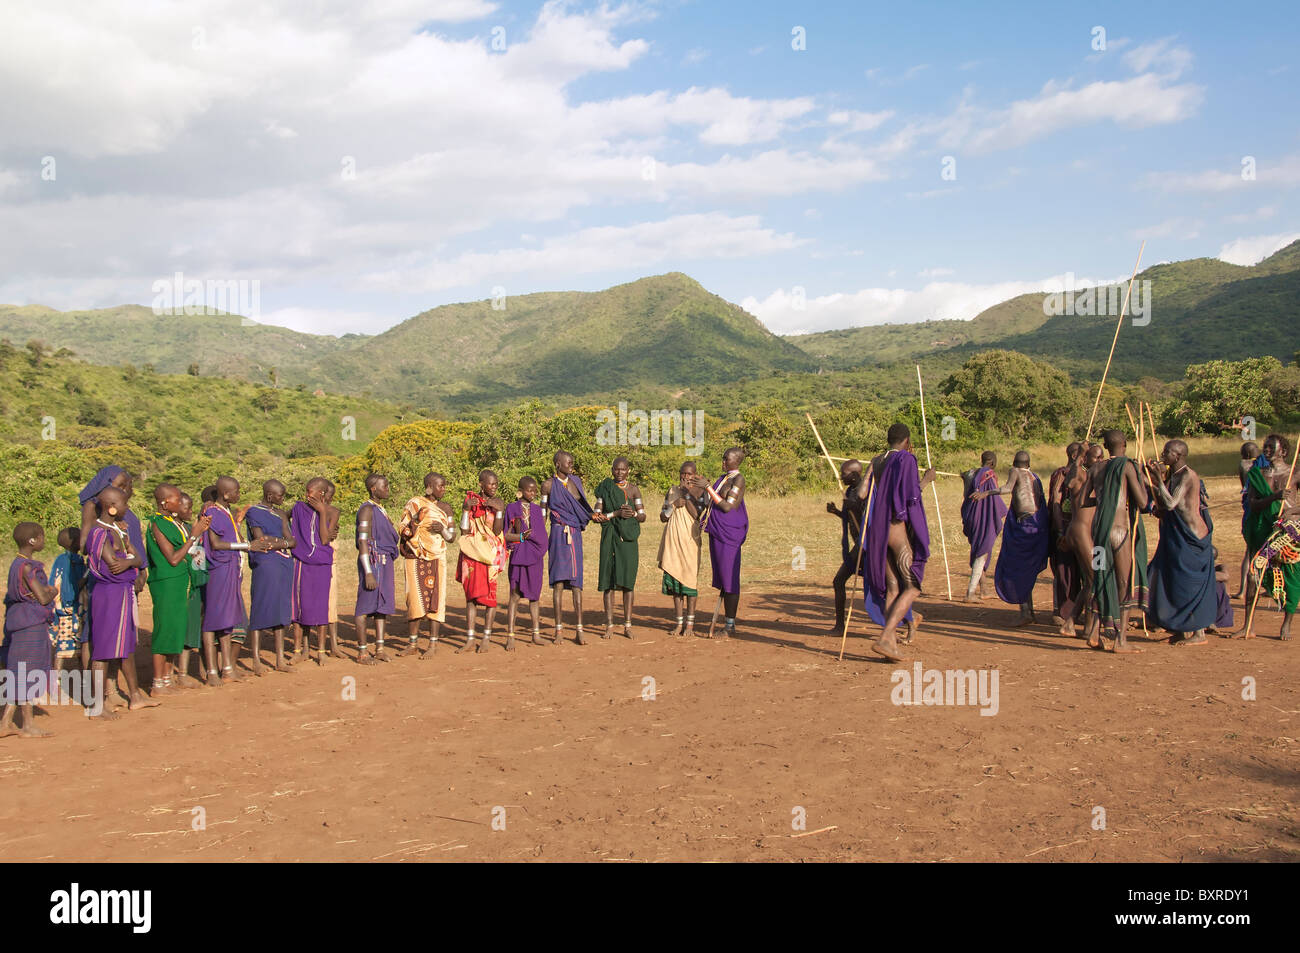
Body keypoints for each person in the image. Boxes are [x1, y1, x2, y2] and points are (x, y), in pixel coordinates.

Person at [852, 424, 934, 661]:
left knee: (893, 587)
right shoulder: (906, 459)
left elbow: (861, 494)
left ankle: (890, 646)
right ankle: (886, 637)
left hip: (877, 530)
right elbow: (910, 496)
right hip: (895, 527)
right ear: (906, 441)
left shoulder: (876, 460)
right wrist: (927, 480)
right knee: (912, 586)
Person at [85, 485, 157, 716]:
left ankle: (135, 696)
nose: (128, 507)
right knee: (103, 649)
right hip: (109, 596)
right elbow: (114, 567)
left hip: (122, 593)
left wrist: (130, 559)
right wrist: (130, 561)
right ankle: (97, 705)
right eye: (124, 504)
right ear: (112, 508)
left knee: (126, 646)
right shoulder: (99, 533)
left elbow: (136, 559)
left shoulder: (117, 530)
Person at [1083, 430, 1151, 653]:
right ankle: (1121, 640)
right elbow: (1143, 503)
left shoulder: (1095, 468)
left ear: (1105, 446)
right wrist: (1143, 479)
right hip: (1119, 532)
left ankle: (1094, 633)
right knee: (1124, 582)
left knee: (1099, 578)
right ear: (1125, 444)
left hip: (1099, 532)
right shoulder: (1128, 466)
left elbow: (1083, 500)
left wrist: (1105, 501)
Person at [1144, 440, 1217, 646]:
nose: (1163, 454)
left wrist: (1157, 480)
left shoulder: (1187, 475)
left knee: (1189, 583)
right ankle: (1178, 628)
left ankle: (1199, 633)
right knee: (1169, 578)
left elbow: (1171, 503)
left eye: (1167, 452)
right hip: (1176, 534)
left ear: (1178, 456)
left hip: (1192, 536)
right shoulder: (1173, 475)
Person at [202, 476, 263, 684]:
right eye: (236, 491)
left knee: (227, 620)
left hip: (231, 569)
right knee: (212, 620)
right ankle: (212, 671)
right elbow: (215, 543)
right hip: (219, 570)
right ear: (226, 494)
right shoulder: (212, 512)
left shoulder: (225, 512)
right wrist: (247, 546)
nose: (239, 494)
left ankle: (227, 668)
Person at [146, 484, 202, 694]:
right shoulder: (158, 524)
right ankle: (157, 682)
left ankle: (167, 679)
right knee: (165, 631)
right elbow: (173, 558)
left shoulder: (173, 523)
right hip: (167, 583)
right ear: (165, 502)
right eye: (177, 500)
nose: (179, 503)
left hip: (179, 582)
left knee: (175, 630)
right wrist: (194, 535)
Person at [1, 523, 56, 737]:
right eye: (41, 537)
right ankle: (28, 725)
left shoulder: (16, 564)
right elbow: (43, 597)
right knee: (28, 673)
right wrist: (53, 591)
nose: (43, 540)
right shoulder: (27, 567)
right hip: (31, 624)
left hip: (19, 621)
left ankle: (6, 722)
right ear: (32, 541)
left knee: (19, 671)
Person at [398, 472, 457, 658]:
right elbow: (403, 530)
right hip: (415, 556)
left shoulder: (446, 508)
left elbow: (452, 537)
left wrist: (443, 530)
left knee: (435, 600)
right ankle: (412, 644)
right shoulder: (414, 504)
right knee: (414, 599)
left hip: (437, 557)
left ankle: (433, 644)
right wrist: (416, 519)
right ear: (429, 487)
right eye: (440, 486)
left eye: (444, 485)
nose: (443, 489)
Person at [693, 447, 749, 638]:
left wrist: (708, 487)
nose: (723, 462)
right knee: (723, 576)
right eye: (723, 458)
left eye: (727, 459)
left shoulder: (738, 480)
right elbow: (711, 502)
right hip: (718, 532)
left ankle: (730, 625)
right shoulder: (723, 479)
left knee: (730, 577)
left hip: (729, 534)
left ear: (737, 461)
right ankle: (727, 622)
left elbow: (727, 506)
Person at [992, 451, 1049, 626]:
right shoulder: (1035, 477)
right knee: (1027, 569)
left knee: (1018, 568)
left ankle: (1025, 612)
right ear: (1029, 464)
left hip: (1024, 526)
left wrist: (986, 493)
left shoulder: (1015, 471)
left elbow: (1007, 489)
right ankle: (1029, 611)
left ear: (1014, 464)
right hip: (1037, 526)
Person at [244, 480, 295, 673]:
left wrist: (277, 542)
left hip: (283, 564)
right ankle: (256, 660)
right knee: (260, 606)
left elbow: (293, 541)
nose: (283, 498)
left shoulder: (281, 514)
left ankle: (280, 659)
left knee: (282, 609)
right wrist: (282, 542)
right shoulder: (254, 512)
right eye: (280, 495)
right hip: (265, 563)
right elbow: (261, 540)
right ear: (269, 495)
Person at [543, 451, 594, 644]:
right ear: (558, 464)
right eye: (568, 462)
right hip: (557, 534)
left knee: (576, 583)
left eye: (572, 462)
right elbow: (542, 514)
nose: (571, 465)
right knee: (557, 582)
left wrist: (594, 516)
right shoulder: (548, 485)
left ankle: (579, 630)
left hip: (574, 534)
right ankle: (558, 630)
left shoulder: (576, 482)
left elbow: (583, 508)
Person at [594, 457, 645, 639]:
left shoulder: (634, 490)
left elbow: (643, 516)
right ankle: (609, 625)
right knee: (608, 582)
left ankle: (627, 625)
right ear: (612, 470)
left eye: (623, 469)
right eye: (616, 469)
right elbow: (596, 516)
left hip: (628, 540)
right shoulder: (605, 488)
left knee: (627, 582)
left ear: (628, 470)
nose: (619, 472)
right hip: (610, 539)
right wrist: (616, 513)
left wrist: (633, 514)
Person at [456, 470, 506, 653]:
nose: (494, 487)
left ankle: (486, 638)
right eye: (491, 483)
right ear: (481, 484)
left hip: (489, 555)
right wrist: (465, 509)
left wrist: (499, 511)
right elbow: (463, 531)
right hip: (471, 554)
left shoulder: (498, 502)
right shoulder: (471, 501)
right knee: (471, 598)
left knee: (490, 598)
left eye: (496, 484)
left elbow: (497, 531)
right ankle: (470, 639)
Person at [1243, 434, 1292, 616]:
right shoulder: (1258, 473)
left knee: (1290, 575)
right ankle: (1248, 624)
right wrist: (1274, 497)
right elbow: (1253, 504)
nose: (1267, 450)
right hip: (1261, 528)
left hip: (1287, 530)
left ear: (1283, 452)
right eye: (1265, 446)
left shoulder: (1294, 473)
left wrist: (1291, 513)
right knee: (1253, 574)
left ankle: (1286, 624)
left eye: (1272, 447)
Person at [1062, 443, 1106, 637]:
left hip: (1094, 534)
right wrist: (1079, 456)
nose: (1100, 460)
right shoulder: (1081, 473)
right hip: (1080, 532)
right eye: (1096, 457)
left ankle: (1070, 622)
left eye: (1101, 456)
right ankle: (1089, 627)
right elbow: (1069, 483)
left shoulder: (1098, 475)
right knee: (1095, 579)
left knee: (1093, 579)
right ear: (1086, 459)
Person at [355, 474, 399, 664]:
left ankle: (380, 648)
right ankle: (362, 652)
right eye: (384, 486)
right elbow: (362, 541)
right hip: (372, 561)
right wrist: (368, 572)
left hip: (384, 561)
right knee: (364, 607)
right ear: (373, 489)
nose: (388, 489)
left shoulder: (380, 509)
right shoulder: (367, 509)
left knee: (382, 606)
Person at [290, 478, 335, 665]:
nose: (307, 495)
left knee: (320, 607)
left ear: (321, 493)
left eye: (311, 491)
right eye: (307, 491)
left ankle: (321, 651)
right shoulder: (299, 508)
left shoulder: (332, 512)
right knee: (300, 607)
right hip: (302, 562)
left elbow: (324, 539)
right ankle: (299, 650)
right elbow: (283, 517)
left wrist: (322, 512)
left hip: (322, 563)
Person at [659, 461, 705, 636]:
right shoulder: (672, 491)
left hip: (690, 542)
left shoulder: (701, 491)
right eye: (683, 473)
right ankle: (679, 623)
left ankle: (690, 624)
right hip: (672, 541)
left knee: (689, 582)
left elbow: (697, 515)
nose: (685, 477)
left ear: (695, 475)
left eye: (689, 474)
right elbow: (663, 516)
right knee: (676, 585)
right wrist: (673, 505)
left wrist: (686, 495)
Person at [504, 477, 548, 647]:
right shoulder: (511, 508)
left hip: (535, 558)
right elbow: (505, 535)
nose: (533, 493)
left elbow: (542, 536)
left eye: (535, 490)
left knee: (534, 597)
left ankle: (536, 634)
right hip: (518, 557)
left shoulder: (537, 510)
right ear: (520, 492)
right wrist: (521, 536)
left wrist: (533, 538)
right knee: (514, 596)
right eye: (529, 490)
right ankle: (510, 635)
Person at [960, 451, 1007, 603]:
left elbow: (966, 493)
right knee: (982, 552)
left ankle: (984, 589)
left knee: (979, 550)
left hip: (971, 515)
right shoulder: (989, 475)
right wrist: (1002, 511)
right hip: (983, 516)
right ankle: (970, 593)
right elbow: (994, 497)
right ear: (992, 462)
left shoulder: (971, 473)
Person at [1047, 442, 1085, 625]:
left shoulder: (1082, 473)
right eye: (1082, 455)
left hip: (1078, 529)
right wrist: (1060, 528)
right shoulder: (1062, 474)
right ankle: (1059, 611)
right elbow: (1056, 501)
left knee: (1076, 571)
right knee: (1063, 571)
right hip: (1063, 528)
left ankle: (1074, 611)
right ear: (1074, 456)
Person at [176, 492, 211, 687]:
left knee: (198, 627)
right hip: (183, 585)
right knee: (186, 629)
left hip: (197, 583)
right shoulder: (179, 531)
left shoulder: (191, 529)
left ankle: (203, 669)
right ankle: (181, 673)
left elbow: (198, 559)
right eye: (187, 508)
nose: (190, 511)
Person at [49, 527, 87, 675]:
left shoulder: (76, 559)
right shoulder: (65, 560)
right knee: (62, 647)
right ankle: (56, 678)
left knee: (79, 646)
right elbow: (67, 588)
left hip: (76, 608)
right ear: (75, 542)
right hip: (67, 609)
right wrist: (87, 575)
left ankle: (82, 677)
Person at [1232, 441, 1261, 598]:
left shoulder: (1244, 464)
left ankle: (1244, 589)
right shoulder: (1253, 465)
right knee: (1254, 549)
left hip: (1250, 504)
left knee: (1251, 550)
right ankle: (1246, 589)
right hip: (1256, 506)